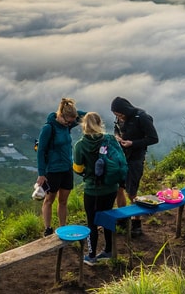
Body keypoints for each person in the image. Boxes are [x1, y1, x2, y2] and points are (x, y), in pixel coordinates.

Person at [72, 112, 123, 265]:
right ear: (100, 123)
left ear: (84, 125)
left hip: (93, 189)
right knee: (107, 216)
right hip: (111, 187)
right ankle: (108, 250)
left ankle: (92, 255)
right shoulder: (110, 139)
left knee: (92, 222)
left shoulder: (80, 145)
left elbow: (78, 169)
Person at [35, 98, 86, 237]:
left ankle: (63, 228)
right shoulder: (48, 128)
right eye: (68, 121)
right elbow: (41, 151)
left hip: (67, 169)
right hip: (52, 171)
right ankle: (48, 229)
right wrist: (41, 173)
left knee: (63, 201)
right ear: (60, 115)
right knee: (49, 200)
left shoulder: (66, 125)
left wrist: (76, 113)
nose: (70, 124)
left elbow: (84, 115)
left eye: (72, 121)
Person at [110, 96, 158, 238]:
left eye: (119, 114)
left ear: (125, 110)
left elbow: (154, 138)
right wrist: (117, 137)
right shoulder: (120, 119)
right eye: (116, 115)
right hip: (121, 157)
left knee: (132, 192)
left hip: (136, 158)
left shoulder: (141, 117)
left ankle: (136, 222)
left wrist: (133, 143)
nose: (119, 117)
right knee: (119, 188)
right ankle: (123, 217)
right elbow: (116, 130)